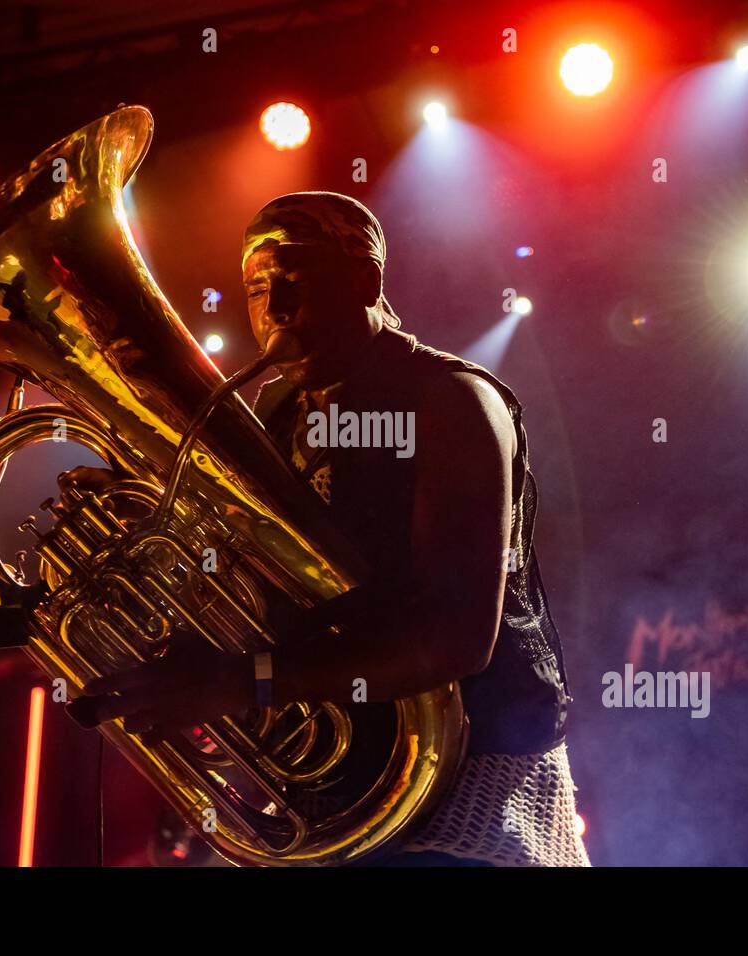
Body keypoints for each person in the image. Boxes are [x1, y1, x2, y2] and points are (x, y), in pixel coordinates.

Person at [68, 191, 589, 867]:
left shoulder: (451, 400)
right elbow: (272, 588)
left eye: (295, 282)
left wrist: (244, 682)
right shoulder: (279, 406)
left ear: (366, 283)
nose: (275, 309)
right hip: (342, 777)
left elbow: (456, 638)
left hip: (471, 780)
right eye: (258, 290)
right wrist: (138, 544)